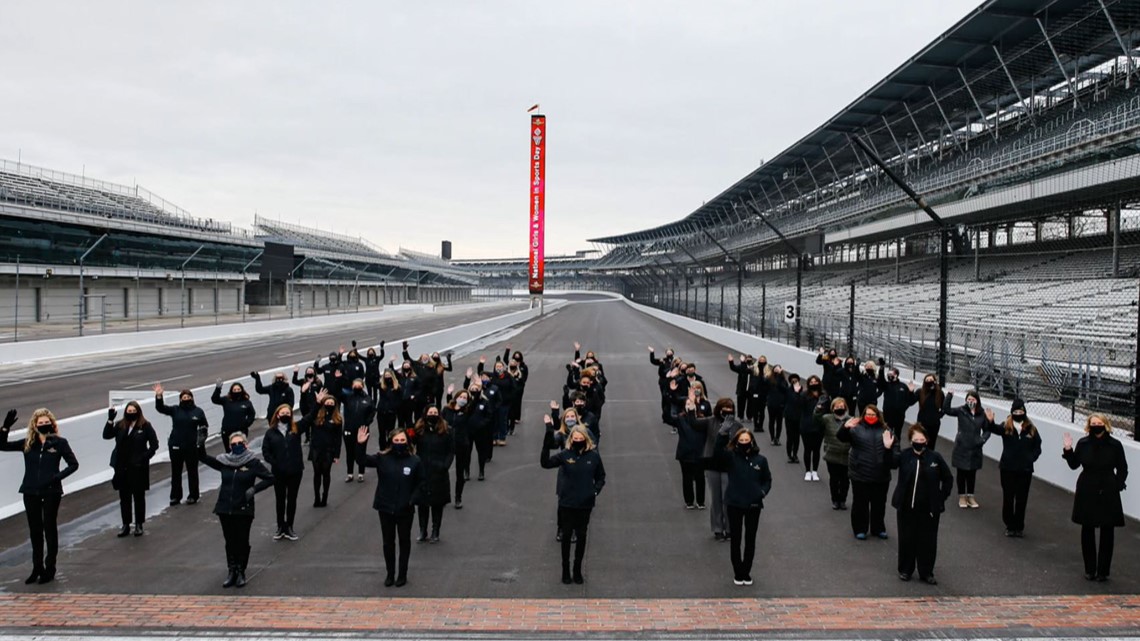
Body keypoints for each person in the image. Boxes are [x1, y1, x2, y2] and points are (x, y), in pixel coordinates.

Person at [1, 409, 79, 584]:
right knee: (35, 531)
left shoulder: (59, 443)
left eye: (46, 422)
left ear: (51, 424)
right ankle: (37, 567)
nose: (43, 425)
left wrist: (56, 477)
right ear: (34, 426)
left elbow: (74, 464)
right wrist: (5, 427)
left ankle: (49, 568)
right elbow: (2, 446)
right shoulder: (28, 443)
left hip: (51, 491)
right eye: (40, 423)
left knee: (49, 528)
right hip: (30, 491)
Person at [199, 432, 274, 588]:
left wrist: (253, 489)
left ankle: (241, 571)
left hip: (243, 508)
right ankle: (231, 570)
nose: (237, 446)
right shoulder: (225, 462)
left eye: (240, 443)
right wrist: (200, 443)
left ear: (245, 444)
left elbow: (270, 478)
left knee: (242, 541)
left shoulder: (253, 463)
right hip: (225, 507)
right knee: (230, 541)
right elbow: (204, 458)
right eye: (233, 444)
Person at [1063, 415, 1128, 581]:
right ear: (1089, 426)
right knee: (1087, 529)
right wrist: (1068, 450)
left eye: (1099, 424)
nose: (1096, 426)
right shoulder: (1083, 444)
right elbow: (1074, 465)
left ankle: (1103, 571)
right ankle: (1090, 569)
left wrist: (1118, 484)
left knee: (1107, 530)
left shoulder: (1115, 445)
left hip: (1108, 488)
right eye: (1093, 424)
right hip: (1087, 487)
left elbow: (1122, 468)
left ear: (1105, 425)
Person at [356, 426, 424, 587]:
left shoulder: (414, 460)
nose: (399, 443)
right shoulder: (382, 458)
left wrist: (412, 500)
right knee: (388, 542)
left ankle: (402, 574)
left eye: (402, 440)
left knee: (404, 541)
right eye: (396, 440)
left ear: (407, 442)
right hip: (385, 506)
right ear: (391, 442)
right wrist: (360, 444)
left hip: (405, 508)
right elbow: (362, 460)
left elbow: (421, 483)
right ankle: (390, 573)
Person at [541, 426, 606, 584]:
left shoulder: (594, 457)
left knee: (582, 536)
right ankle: (565, 569)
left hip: (585, 504)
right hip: (567, 503)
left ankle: (577, 569)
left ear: (586, 439)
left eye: (580, 439)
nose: (578, 441)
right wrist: (547, 438)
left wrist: (594, 491)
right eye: (575, 439)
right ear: (571, 440)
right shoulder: (565, 455)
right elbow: (546, 463)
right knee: (566, 535)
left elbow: (601, 477)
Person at [891, 424, 953, 584]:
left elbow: (948, 478)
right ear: (911, 440)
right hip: (907, 507)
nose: (919, 442)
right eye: (916, 439)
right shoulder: (904, 455)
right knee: (907, 539)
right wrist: (887, 448)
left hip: (929, 510)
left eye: (922, 439)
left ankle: (926, 572)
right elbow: (890, 464)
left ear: (927, 440)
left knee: (928, 541)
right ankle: (905, 569)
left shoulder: (935, 458)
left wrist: (940, 498)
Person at [716, 427, 772, 586]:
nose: (744, 443)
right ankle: (737, 571)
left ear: (752, 441)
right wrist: (722, 435)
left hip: (753, 504)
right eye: (741, 441)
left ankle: (746, 571)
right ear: (736, 442)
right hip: (734, 503)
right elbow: (718, 453)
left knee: (750, 539)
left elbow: (767, 479)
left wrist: (762, 492)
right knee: (736, 538)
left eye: (747, 441)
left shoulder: (761, 460)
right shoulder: (731, 457)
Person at [837, 404, 896, 540]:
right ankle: (860, 529)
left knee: (879, 505)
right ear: (864, 415)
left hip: (881, 475)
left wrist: (890, 455)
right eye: (868, 414)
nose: (870, 417)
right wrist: (845, 427)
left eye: (873, 415)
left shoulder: (885, 430)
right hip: (860, 474)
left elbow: (894, 447)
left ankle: (878, 528)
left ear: (878, 416)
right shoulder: (856, 429)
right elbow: (841, 437)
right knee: (860, 504)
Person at [985, 399, 1042, 537]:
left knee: (1022, 499)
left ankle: (1019, 527)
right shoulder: (1006, 426)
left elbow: (1038, 447)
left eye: (1020, 411)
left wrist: (1031, 458)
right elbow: (993, 429)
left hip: (1025, 470)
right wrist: (990, 421)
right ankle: (1010, 525)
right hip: (1007, 468)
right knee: (1008, 497)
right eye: (1015, 412)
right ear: (1011, 412)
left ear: (1024, 412)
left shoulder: (1031, 429)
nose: (1018, 414)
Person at [103, 402, 158, 537]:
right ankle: (126, 524)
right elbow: (106, 435)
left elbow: (154, 444)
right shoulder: (120, 425)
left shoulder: (145, 426)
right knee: (124, 497)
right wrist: (110, 419)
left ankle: (139, 524)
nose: (131, 412)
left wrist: (144, 457)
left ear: (138, 411)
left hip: (138, 467)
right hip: (122, 467)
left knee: (139, 496)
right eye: (129, 410)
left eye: (134, 410)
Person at [154, 385, 208, 506]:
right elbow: (161, 408)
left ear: (192, 398)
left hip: (191, 446)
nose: (186, 398)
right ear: (180, 399)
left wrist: (200, 442)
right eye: (184, 397)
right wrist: (158, 396)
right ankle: (175, 497)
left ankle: (193, 495)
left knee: (192, 471)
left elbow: (204, 427)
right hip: (176, 445)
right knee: (176, 472)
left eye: (188, 396)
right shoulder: (175, 410)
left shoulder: (198, 411)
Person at [263, 403, 307, 541]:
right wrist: (275, 462)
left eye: (288, 413)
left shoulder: (296, 428)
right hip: (278, 472)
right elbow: (266, 451)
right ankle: (280, 526)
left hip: (295, 470)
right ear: (277, 415)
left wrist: (317, 403)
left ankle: (290, 526)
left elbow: (309, 418)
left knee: (292, 499)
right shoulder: (270, 432)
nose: (286, 415)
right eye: (283, 413)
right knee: (280, 500)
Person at [411, 406, 454, 543]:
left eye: (435, 413)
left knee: (437, 503)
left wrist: (444, 466)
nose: (433, 415)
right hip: (422, 470)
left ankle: (436, 531)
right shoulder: (419, 430)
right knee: (422, 504)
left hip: (438, 471)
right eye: (430, 413)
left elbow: (450, 451)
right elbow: (410, 443)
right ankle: (423, 530)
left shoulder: (446, 431)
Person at [945, 390, 993, 509]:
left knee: (972, 473)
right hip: (961, 447)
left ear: (977, 400)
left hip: (975, 448)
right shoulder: (961, 410)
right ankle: (962, 496)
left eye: (973, 399)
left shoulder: (982, 414)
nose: (970, 401)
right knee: (961, 473)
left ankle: (970, 496)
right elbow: (947, 410)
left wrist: (982, 440)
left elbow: (987, 429)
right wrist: (949, 396)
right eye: (969, 399)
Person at [666, 394, 709, 510]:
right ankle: (689, 501)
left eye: (692, 404)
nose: (689, 406)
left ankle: (701, 501)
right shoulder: (680, 419)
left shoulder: (703, 420)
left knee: (700, 478)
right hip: (685, 453)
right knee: (687, 478)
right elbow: (666, 417)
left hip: (700, 453)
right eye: (688, 404)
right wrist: (670, 394)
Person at [337, 379, 376, 483]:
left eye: (359, 385)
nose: (357, 387)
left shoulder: (367, 399)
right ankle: (350, 474)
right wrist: (338, 379)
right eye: (355, 385)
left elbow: (372, 411)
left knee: (361, 451)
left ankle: (361, 473)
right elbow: (338, 393)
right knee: (349, 452)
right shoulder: (347, 397)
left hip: (362, 430)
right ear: (352, 386)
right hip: (349, 429)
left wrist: (367, 422)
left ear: (363, 386)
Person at [443, 388, 476, 508]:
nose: (462, 399)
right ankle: (443, 496)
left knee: (459, 473)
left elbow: (475, 401)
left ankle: (458, 497)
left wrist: (470, 382)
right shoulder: (447, 410)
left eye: (465, 398)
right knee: (442, 470)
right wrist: (448, 394)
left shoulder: (467, 411)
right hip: (447, 444)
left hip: (462, 444)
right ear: (456, 397)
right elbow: (441, 422)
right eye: (460, 397)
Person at [307, 392, 342, 507]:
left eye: (331, 403)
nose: (329, 404)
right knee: (317, 473)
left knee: (326, 473)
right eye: (327, 403)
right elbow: (309, 414)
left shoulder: (337, 419)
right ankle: (316, 497)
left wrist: (337, 455)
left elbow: (338, 438)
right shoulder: (317, 415)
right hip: (316, 449)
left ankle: (324, 497)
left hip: (329, 450)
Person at [819, 397, 852, 510]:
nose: (839, 408)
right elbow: (816, 420)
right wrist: (817, 410)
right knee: (834, 479)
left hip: (846, 455)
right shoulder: (827, 419)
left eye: (841, 406)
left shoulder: (851, 420)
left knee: (845, 480)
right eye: (837, 407)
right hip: (832, 454)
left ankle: (842, 500)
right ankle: (835, 500)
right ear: (832, 408)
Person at [797, 375, 828, 481]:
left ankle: (815, 471)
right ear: (808, 383)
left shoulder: (824, 396)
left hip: (819, 426)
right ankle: (807, 471)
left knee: (816, 449)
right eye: (811, 382)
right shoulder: (804, 395)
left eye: (816, 381)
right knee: (807, 449)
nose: (814, 383)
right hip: (806, 425)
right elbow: (800, 407)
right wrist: (797, 393)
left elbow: (828, 410)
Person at [211, 381, 256, 453]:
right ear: (231, 391)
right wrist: (218, 389)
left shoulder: (246, 402)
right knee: (229, 451)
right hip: (227, 431)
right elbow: (215, 399)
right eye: (234, 390)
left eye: (238, 389)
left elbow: (252, 414)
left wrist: (246, 424)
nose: (236, 391)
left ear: (242, 390)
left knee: (241, 451)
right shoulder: (226, 400)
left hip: (241, 431)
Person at [877, 360, 916, 441]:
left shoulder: (903, 386)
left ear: (896, 375)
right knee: (887, 432)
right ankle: (887, 448)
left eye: (891, 374)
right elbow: (881, 381)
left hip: (899, 415)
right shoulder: (886, 385)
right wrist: (881, 368)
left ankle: (896, 449)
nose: (889, 376)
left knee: (898, 433)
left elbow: (910, 401)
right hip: (888, 414)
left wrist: (911, 392)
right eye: (888, 374)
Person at [915, 374, 945, 448]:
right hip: (922, 423)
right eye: (927, 380)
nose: (929, 382)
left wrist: (938, 416)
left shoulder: (940, 393)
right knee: (921, 443)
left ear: (934, 381)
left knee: (931, 444)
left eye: (931, 380)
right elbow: (910, 401)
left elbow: (944, 407)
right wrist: (910, 391)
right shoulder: (920, 392)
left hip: (934, 424)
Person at [782, 374, 803, 464]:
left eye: (796, 380)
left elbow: (800, 401)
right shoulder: (787, 390)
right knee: (790, 436)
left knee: (796, 437)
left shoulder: (803, 392)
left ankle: (795, 454)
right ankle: (789, 455)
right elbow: (791, 400)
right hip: (789, 416)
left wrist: (798, 392)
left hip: (799, 417)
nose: (794, 382)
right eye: (792, 380)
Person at [766, 366, 788, 446]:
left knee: (779, 422)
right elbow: (766, 386)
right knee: (771, 421)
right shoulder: (769, 379)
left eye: (779, 369)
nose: (777, 370)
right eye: (776, 368)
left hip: (780, 404)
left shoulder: (783, 380)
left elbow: (784, 389)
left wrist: (780, 375)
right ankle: (772, 438)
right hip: (771, 403)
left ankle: (777, 438)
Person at [746, 356, 769, 434]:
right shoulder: (754, 369)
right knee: (755, 410)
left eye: (763, 360)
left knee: (762, 411)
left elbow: (767, 382)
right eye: (760, 360)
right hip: (755, 393)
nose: (762, 362)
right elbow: (746, 371)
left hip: (763, 394)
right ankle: (756, 426)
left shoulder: (768, 371)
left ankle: (760, 426)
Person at [728, 354, 753, 422]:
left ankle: (750, 416)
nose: (748, 360)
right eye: (747, 359)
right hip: (742, 389)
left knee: (751, 404)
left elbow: (749, 371)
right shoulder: (741, 366)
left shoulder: (753, 368)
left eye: (750, 359)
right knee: (741, 403)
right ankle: (741, 416)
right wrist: (731, 361)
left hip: (751, 389)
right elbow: (733, 368)